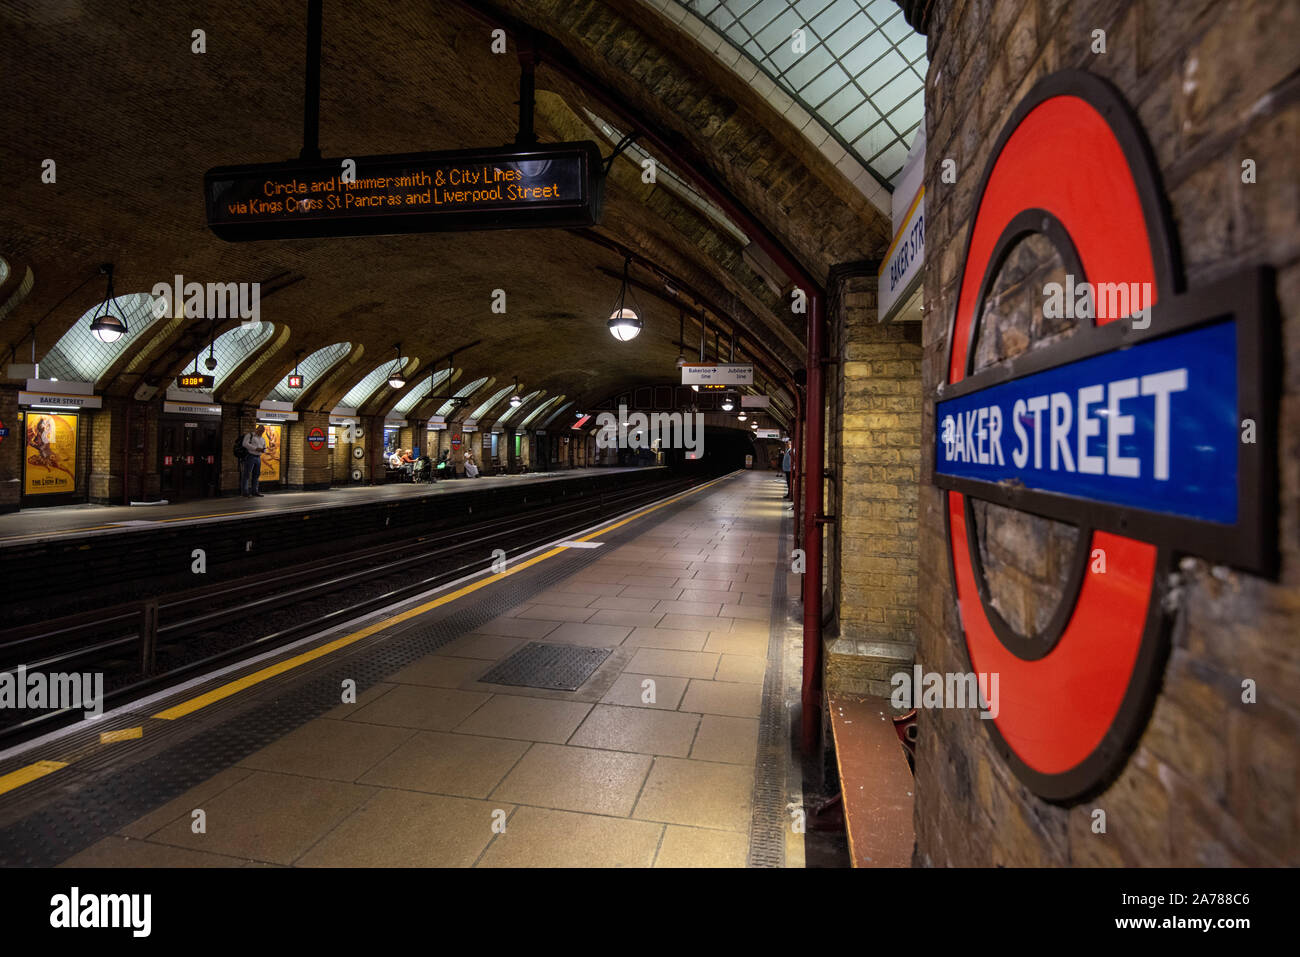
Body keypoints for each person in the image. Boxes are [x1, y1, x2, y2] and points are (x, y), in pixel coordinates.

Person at [240, 424, 268, 497]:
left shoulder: (263, 439)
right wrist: (256, 448)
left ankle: (254, 491)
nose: (261, 432)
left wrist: (263, 450)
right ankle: (245, 492)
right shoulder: (250, 435)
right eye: (260, 430)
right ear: (257, 429)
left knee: (256, 475)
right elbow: (244, 444)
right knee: (246, 474)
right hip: (250, 456)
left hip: (258, 457)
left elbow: (265, 448)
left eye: (262, 431)